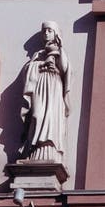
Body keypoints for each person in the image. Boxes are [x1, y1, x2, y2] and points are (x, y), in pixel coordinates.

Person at [20, 21, 70, 163]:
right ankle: (33, 149)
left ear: (56, 34)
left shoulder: (60, 51)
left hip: (54, 86)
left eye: (49, 31)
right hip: (40, 85)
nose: (46, 34)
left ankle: (49, 152)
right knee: (37, 115)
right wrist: (42, 64)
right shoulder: (39, 54)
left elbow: (65, 69)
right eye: (44, 31)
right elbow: (28, 70)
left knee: (51, 118)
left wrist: (58, 53)